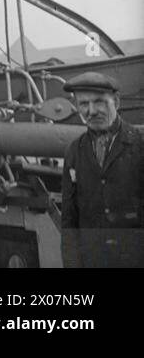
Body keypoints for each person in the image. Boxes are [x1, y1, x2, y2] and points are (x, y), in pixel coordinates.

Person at [59, 71, 143, 268]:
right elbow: (69, 220)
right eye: (83, 104)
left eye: (99, 102)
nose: (91, 111)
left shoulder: (140, 145)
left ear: (116, 102)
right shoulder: (74, 151)